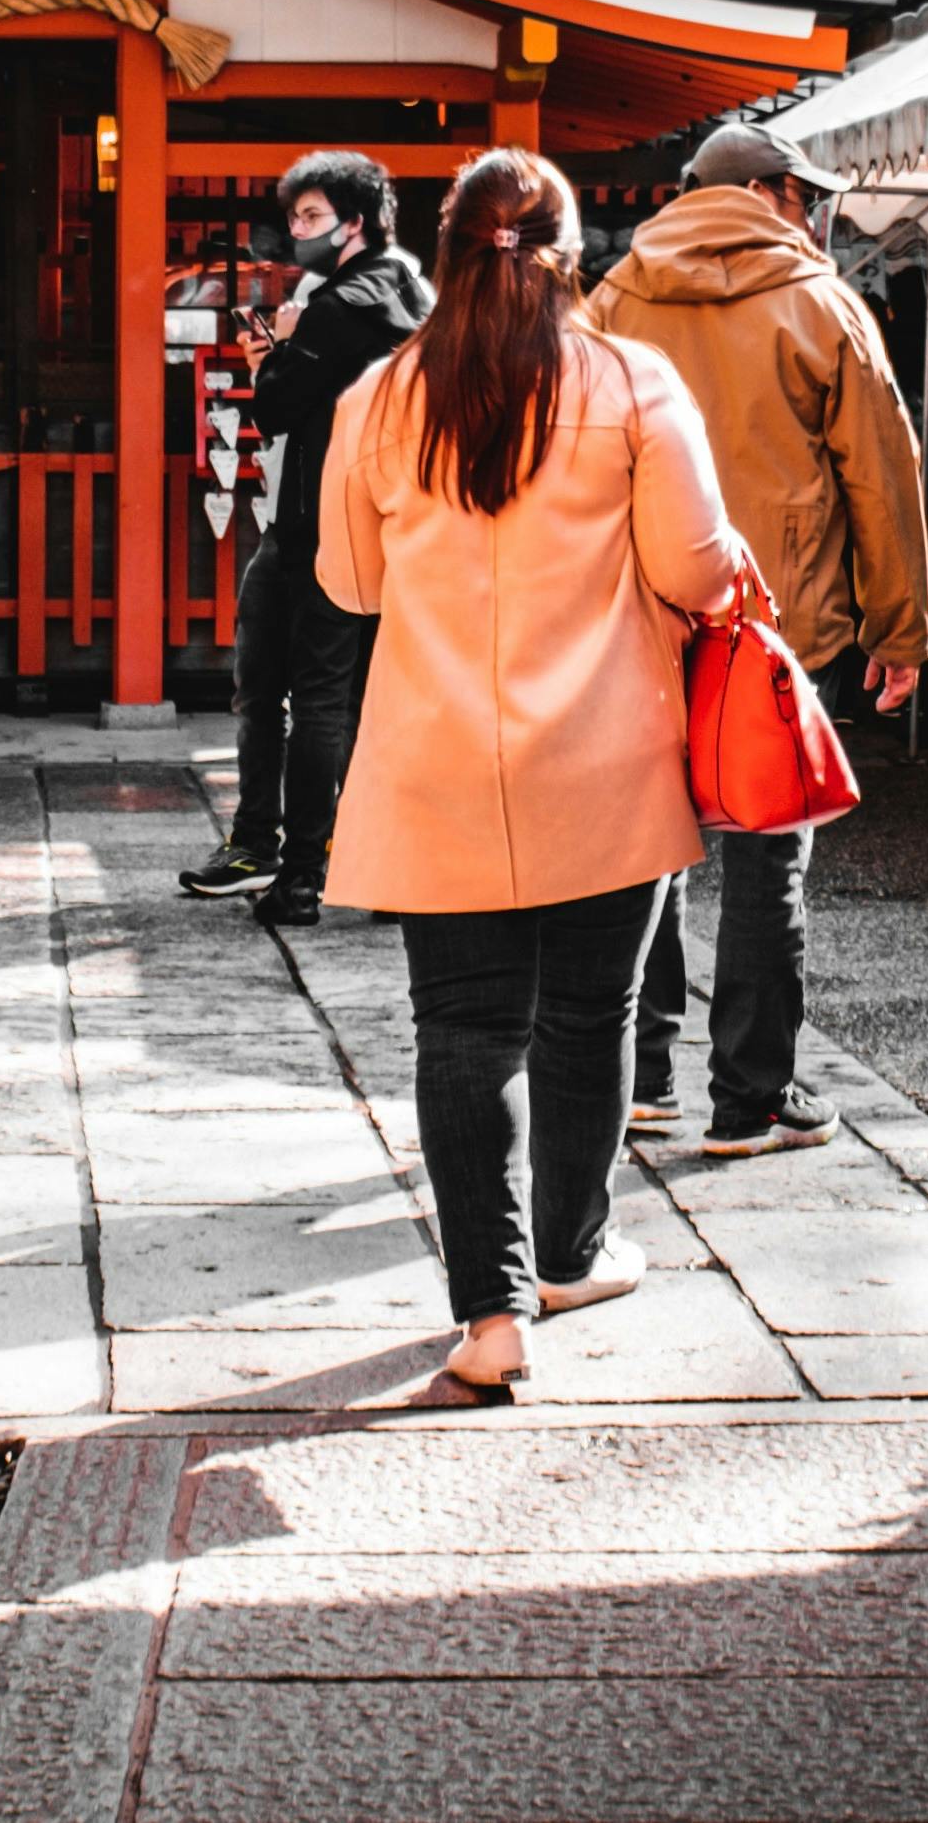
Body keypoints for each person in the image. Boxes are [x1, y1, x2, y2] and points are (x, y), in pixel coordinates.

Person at [313, 149, 747, 1406]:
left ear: (448, 249)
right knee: (589, 1015)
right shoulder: (632, 380)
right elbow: (694, 569)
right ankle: (572, 1254)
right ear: (570, 248)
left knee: (462, 1032)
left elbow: (351, 583)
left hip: (439, 756)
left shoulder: (381, 398)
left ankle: (491, 1317)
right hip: (609, 758)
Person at [583, 121, 928, 1153]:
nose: (812, 211)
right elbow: (882, 471)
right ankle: (753, 1094)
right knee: (767, 852)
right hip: (781, 615)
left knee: (648, 849)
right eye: (804, 194)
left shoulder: (611, 299)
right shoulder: (822, 303)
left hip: (644, 608)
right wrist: (898, 628)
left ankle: (642, 1078)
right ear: (777, 193)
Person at [189, 146, 432, 925]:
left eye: (314, 218)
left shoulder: (334, 308)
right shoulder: (417, 294)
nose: (299, 232)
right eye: (294, 217)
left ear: (355, 223)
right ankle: (376, 865)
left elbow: (278, 409)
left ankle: (295, 874)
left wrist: (275, 352)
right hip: (395, 523)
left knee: (304, 697)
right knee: (364, 701)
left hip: (319, 522)